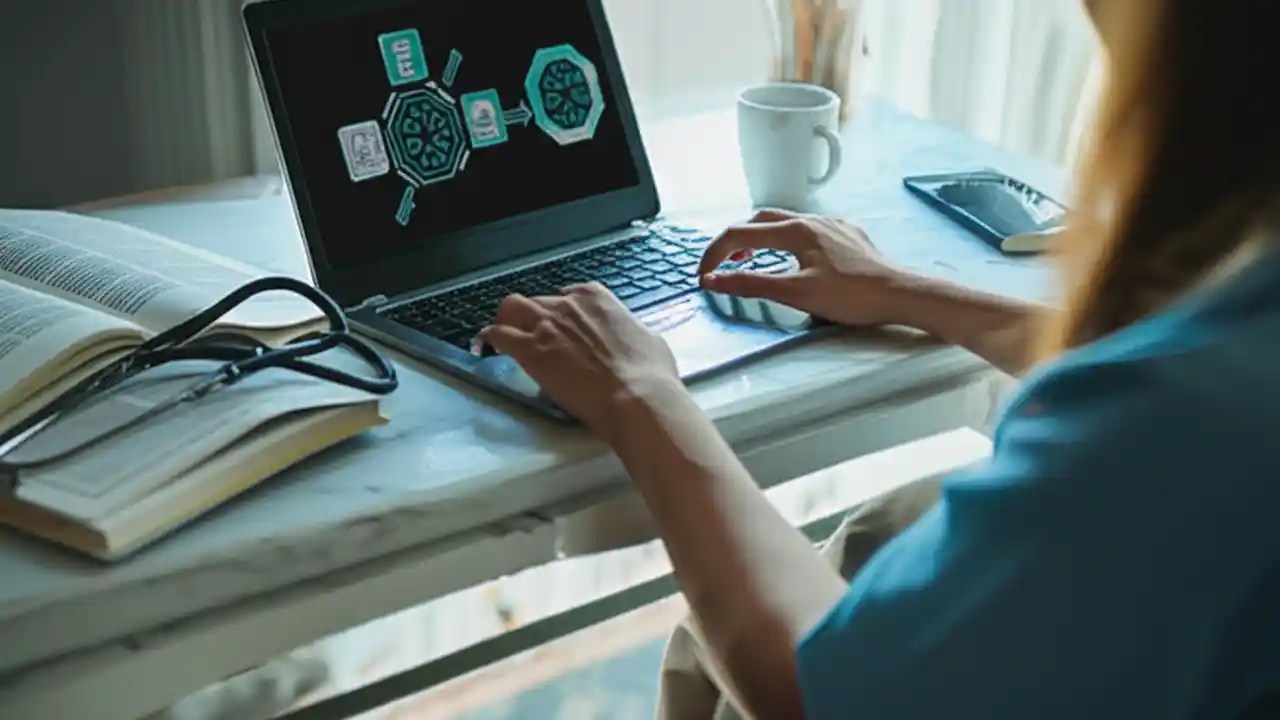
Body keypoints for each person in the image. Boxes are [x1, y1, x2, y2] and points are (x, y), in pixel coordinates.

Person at [479, 0, 1280, 716]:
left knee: (720, 645)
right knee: (878, 533)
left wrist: (641, 394)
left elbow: (810, 688)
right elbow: (1174, 357)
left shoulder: (1178, 423)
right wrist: (904, 291)